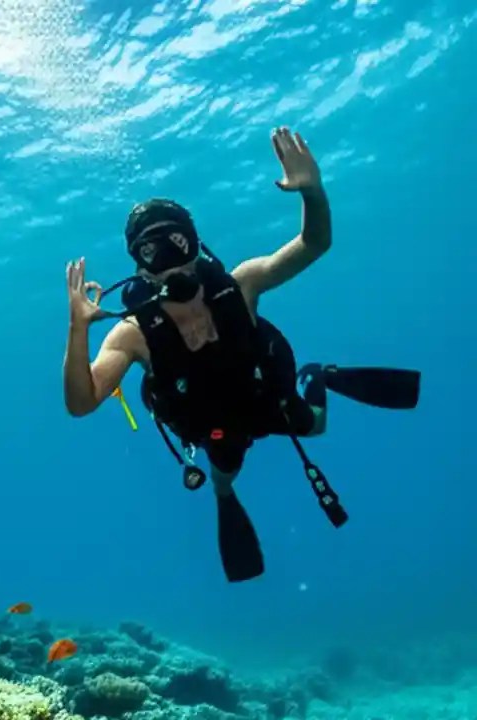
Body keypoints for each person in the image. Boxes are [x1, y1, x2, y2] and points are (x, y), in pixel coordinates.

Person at [62, 127, 420, 583]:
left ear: (195, 245)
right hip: (212, 427)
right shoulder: (132, 335)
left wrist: (312, 191)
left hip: (264, 397)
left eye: (179, 244)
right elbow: (81, 402)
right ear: (139, 268)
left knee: (319, 424)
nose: (170, 262)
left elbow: (313, 244)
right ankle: (224, 495)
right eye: (152, 252)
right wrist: (78, 329)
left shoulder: (242, 284)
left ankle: (320, 376)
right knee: (223, 481)